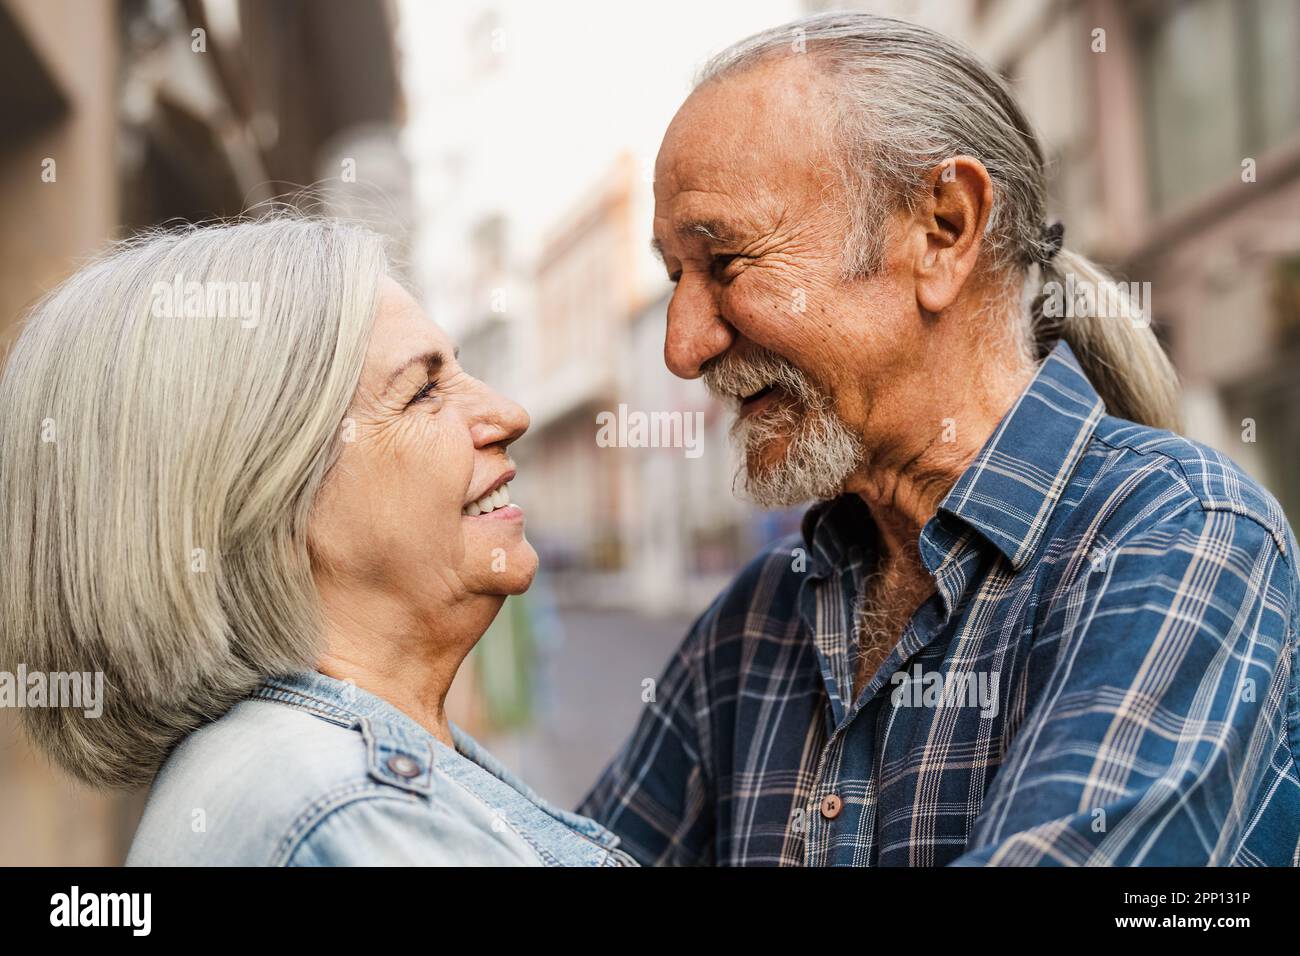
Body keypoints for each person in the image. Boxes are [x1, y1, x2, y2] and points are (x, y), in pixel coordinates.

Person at [579, 12, 1300, 866]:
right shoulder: (756, 621)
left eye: (727, 263)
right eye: (674, 278)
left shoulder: (1181, 535)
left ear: (943, 230)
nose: (683, 346)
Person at [0, 216, 634, 867]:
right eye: (423, 390)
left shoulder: (312, 780)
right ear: (266, 496)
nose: (508, 414)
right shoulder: (352, 820)